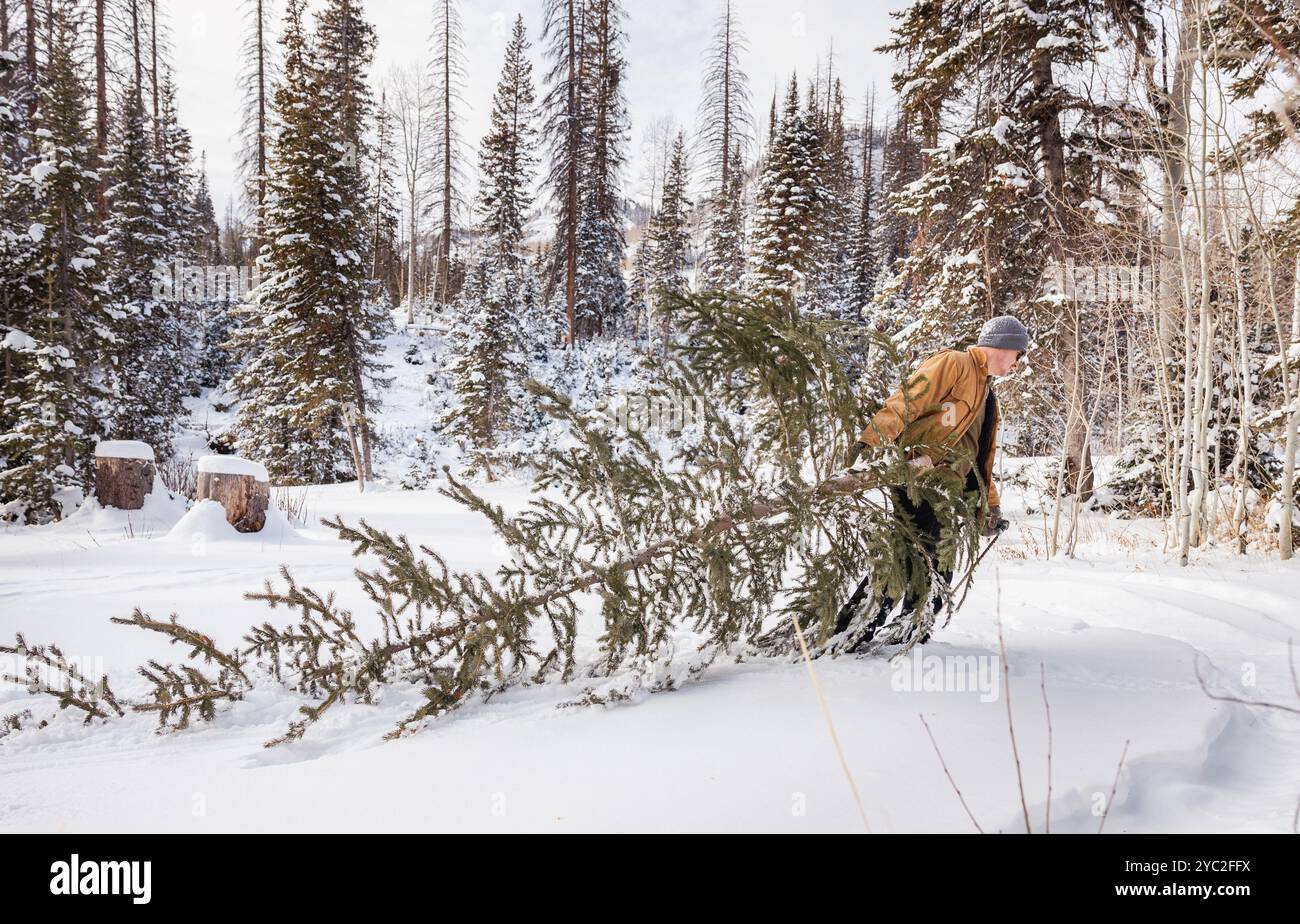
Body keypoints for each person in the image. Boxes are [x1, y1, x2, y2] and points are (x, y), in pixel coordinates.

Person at [833, 315, 1029, 651]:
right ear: (1005, 345)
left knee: (925, 561)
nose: (1018, 364)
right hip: (917, 478)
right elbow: (907, 401)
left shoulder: (988, 397)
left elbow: (981, 459)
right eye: (1018, 356)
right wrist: (871, 442)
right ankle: (859, 633)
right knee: (920, 560)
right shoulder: (955, 363)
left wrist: (989, 508)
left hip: (945, 492)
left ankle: (901, 633)